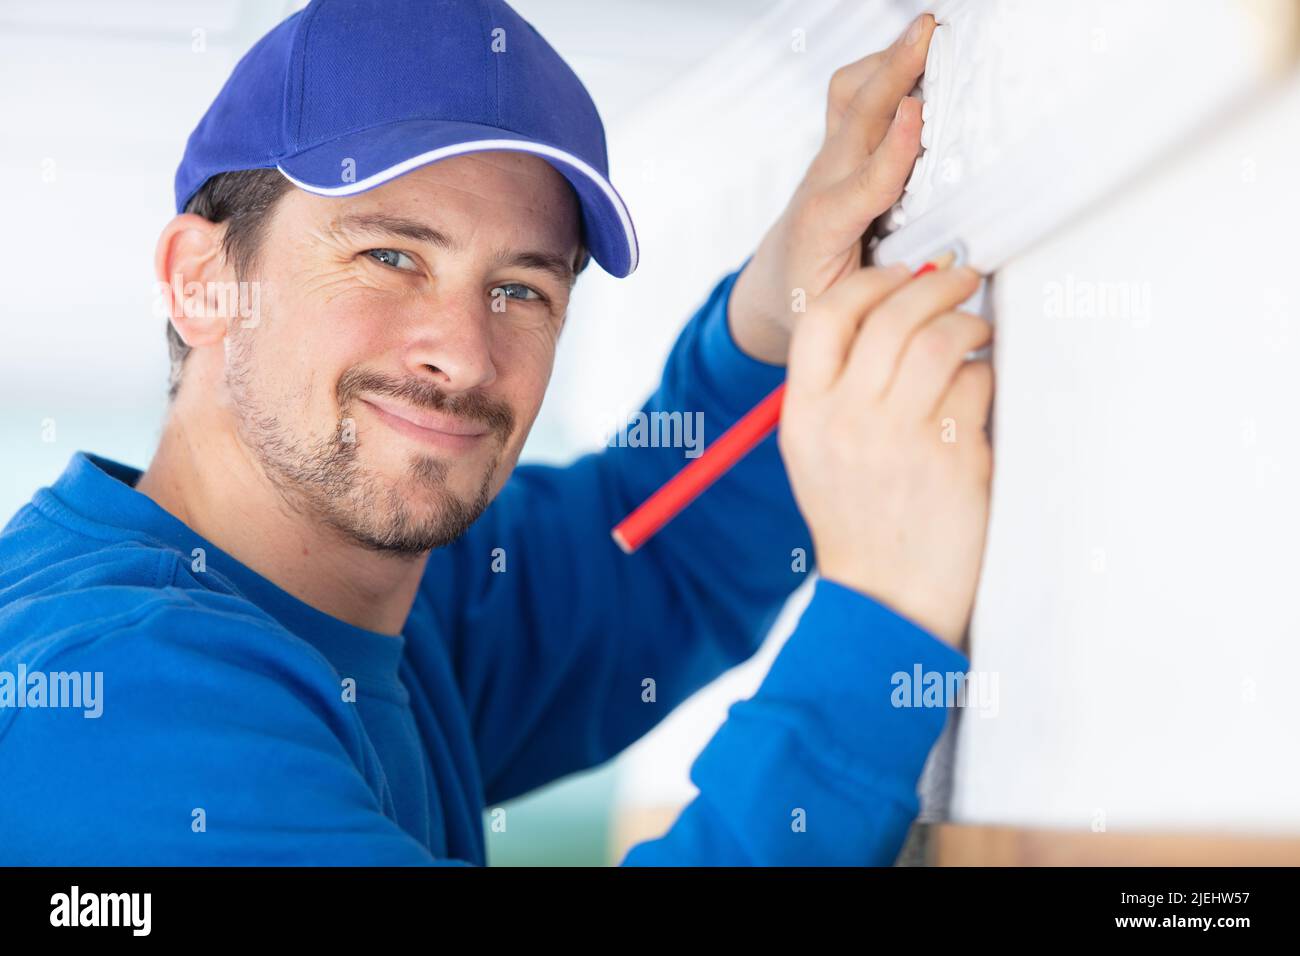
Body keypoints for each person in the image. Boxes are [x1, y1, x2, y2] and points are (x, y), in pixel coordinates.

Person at [0, 1, 991, 865]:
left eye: (520, 286)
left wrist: (782, 311)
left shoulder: (378, 592)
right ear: (202, 281)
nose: (465, 354)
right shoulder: (119, 705)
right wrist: (883, 610)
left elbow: (644, 559)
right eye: (389, 255)